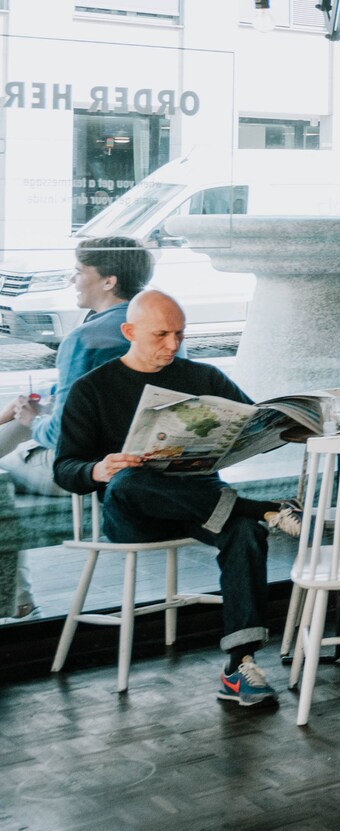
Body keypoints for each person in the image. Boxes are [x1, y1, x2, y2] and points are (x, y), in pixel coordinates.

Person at [52, 291, 299, 708]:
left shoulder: (204, 377)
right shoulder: (92, 389)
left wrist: (290, 425)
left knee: (245, 533)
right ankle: (263, 508)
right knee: (129, 479)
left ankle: (239, 666)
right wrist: (100, 469)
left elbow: (253, 423)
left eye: (180, 334)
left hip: (201, 505)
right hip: (134, 514)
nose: (173, 344)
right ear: (129, 331)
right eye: (161, 334)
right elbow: (64, 469)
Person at [3, 235, 154, 497]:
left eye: (80, 272)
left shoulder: (84, 339)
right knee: (31, 406)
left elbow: (61, 436)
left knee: (8, 461)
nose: (73, 280)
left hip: (94, 469)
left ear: (109, 282)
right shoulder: (161, 331)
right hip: (144, 460)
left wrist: (33, 420)